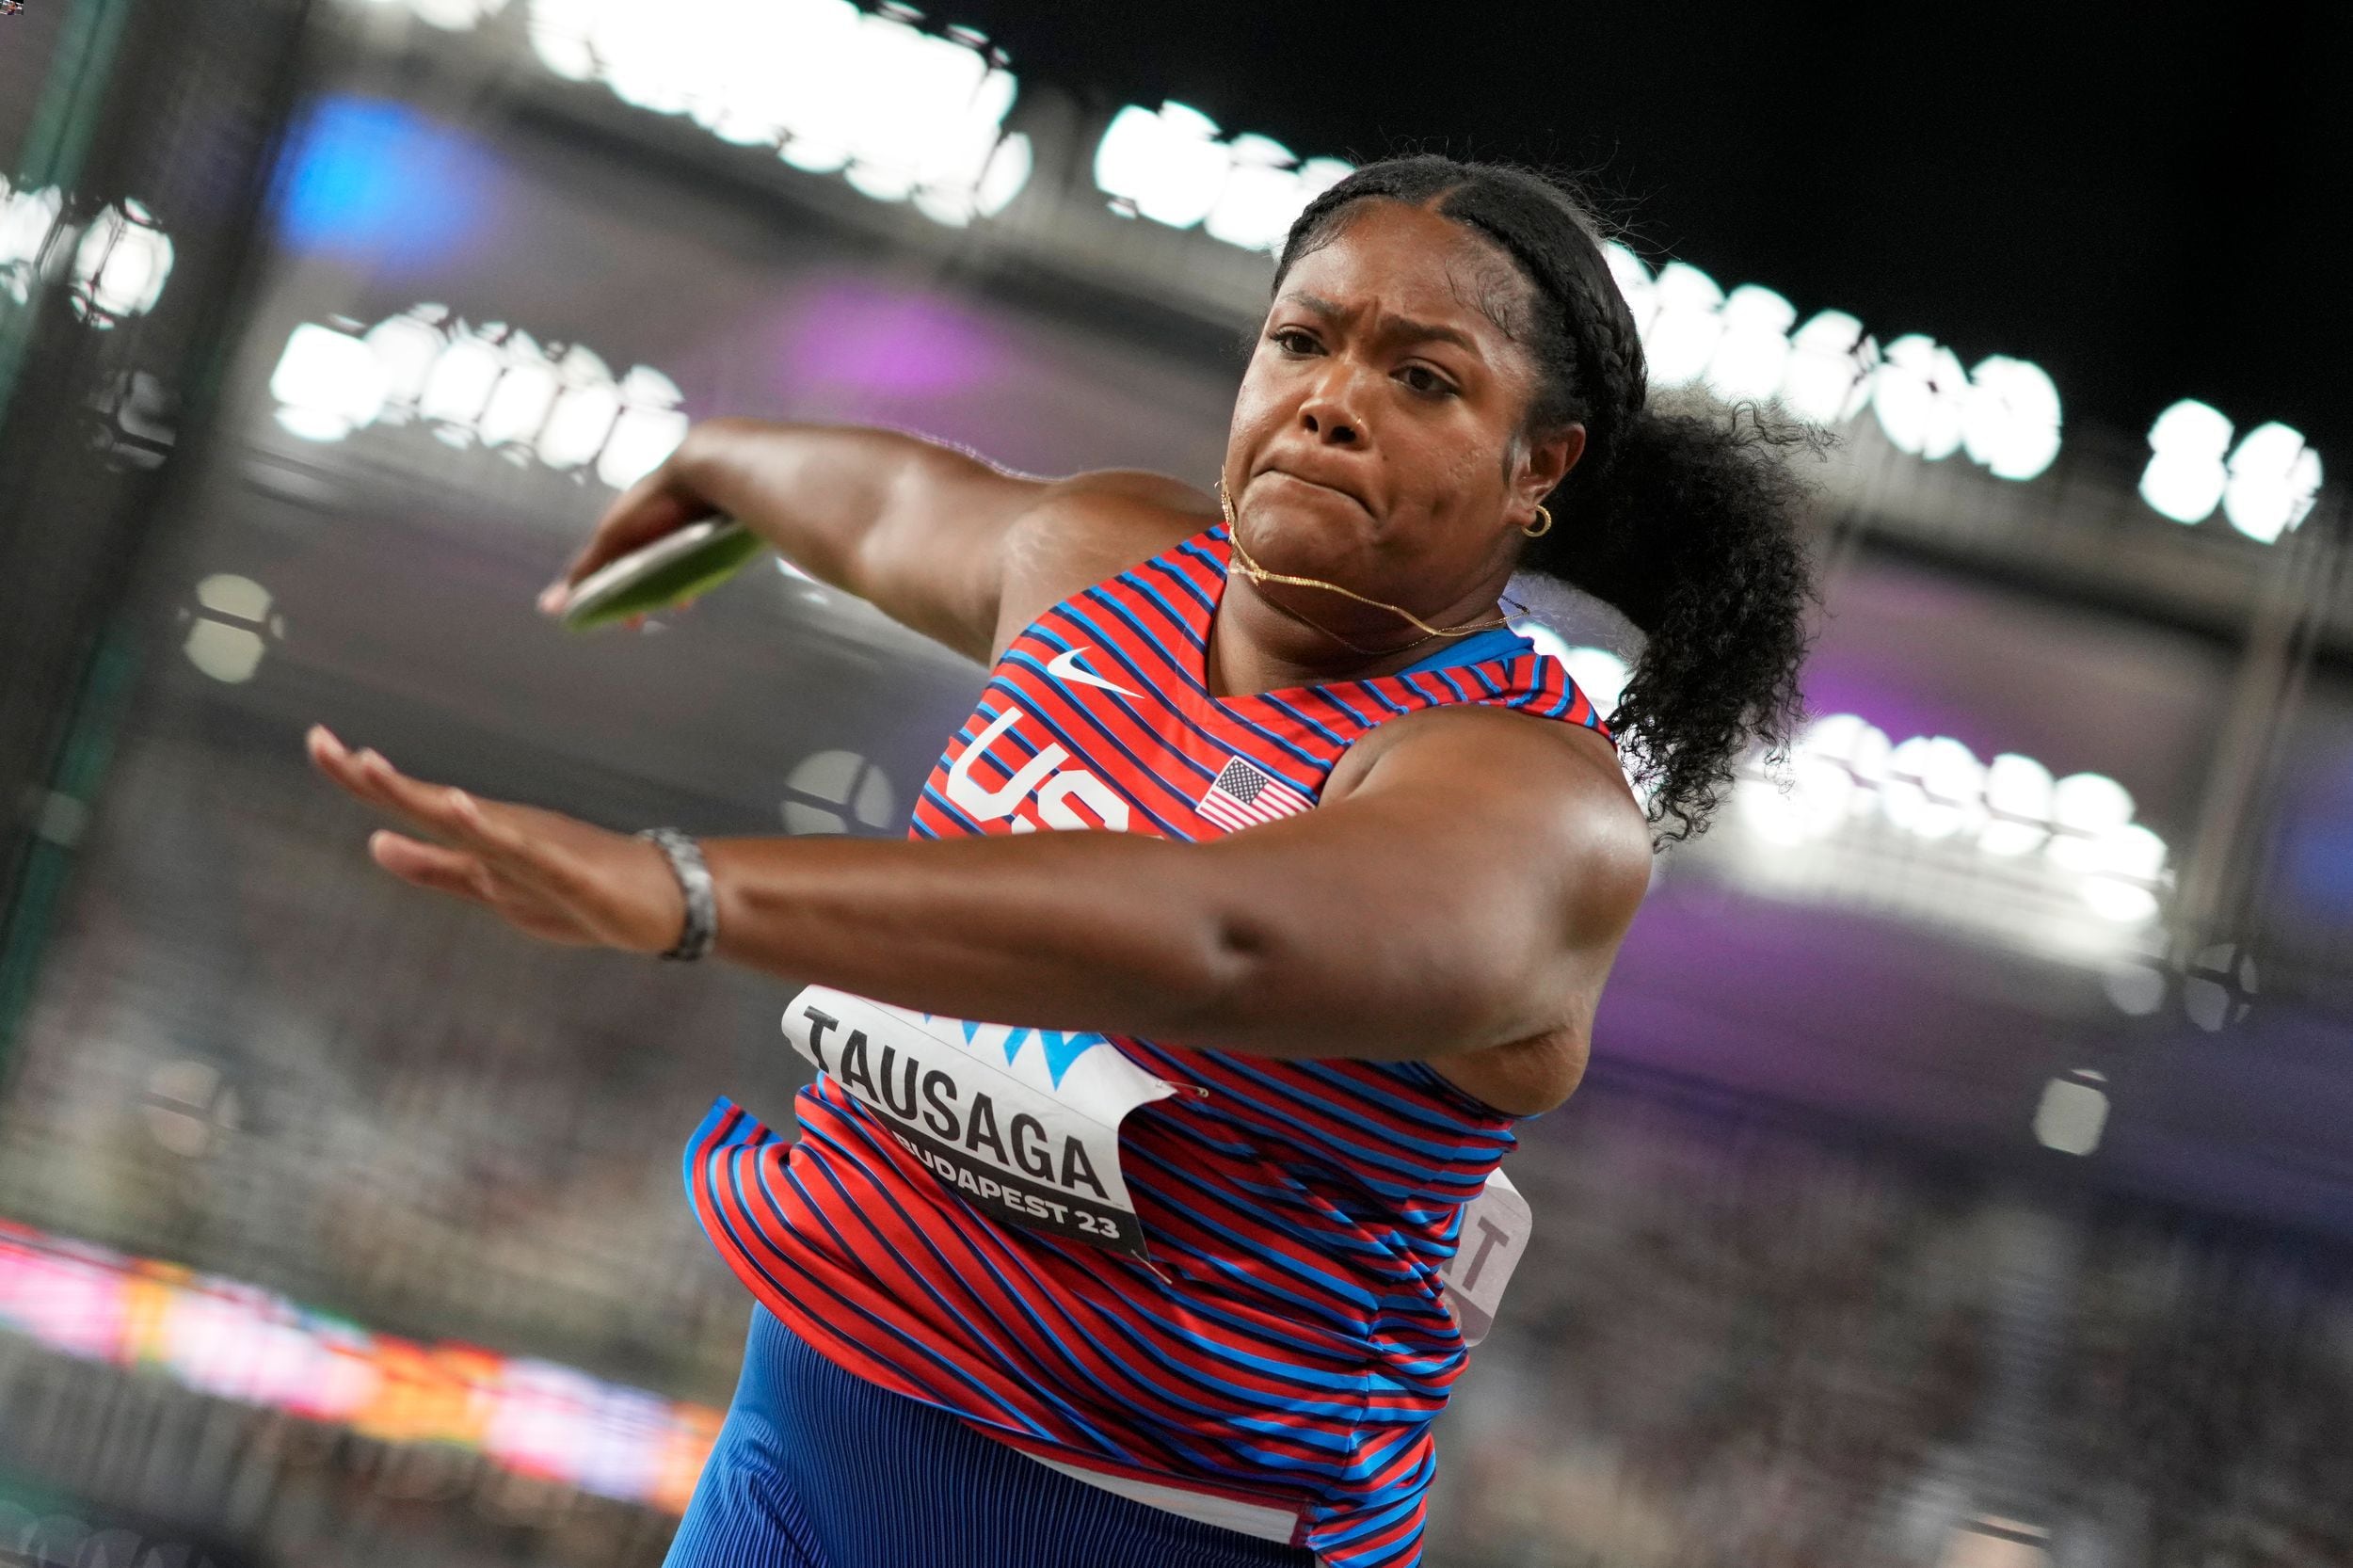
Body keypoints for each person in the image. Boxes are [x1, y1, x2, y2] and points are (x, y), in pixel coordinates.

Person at [307, 155, 1815, 1567]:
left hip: (1156, 1523)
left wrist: (697, 892)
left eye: (1421, 379)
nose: (1330, 403)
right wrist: (714, 468)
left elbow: (1222, 936)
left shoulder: (1529, 798)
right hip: (802, 1440)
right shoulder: (1105, 570)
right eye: (1300, 343)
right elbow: (893, 505)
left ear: (1535, 466)